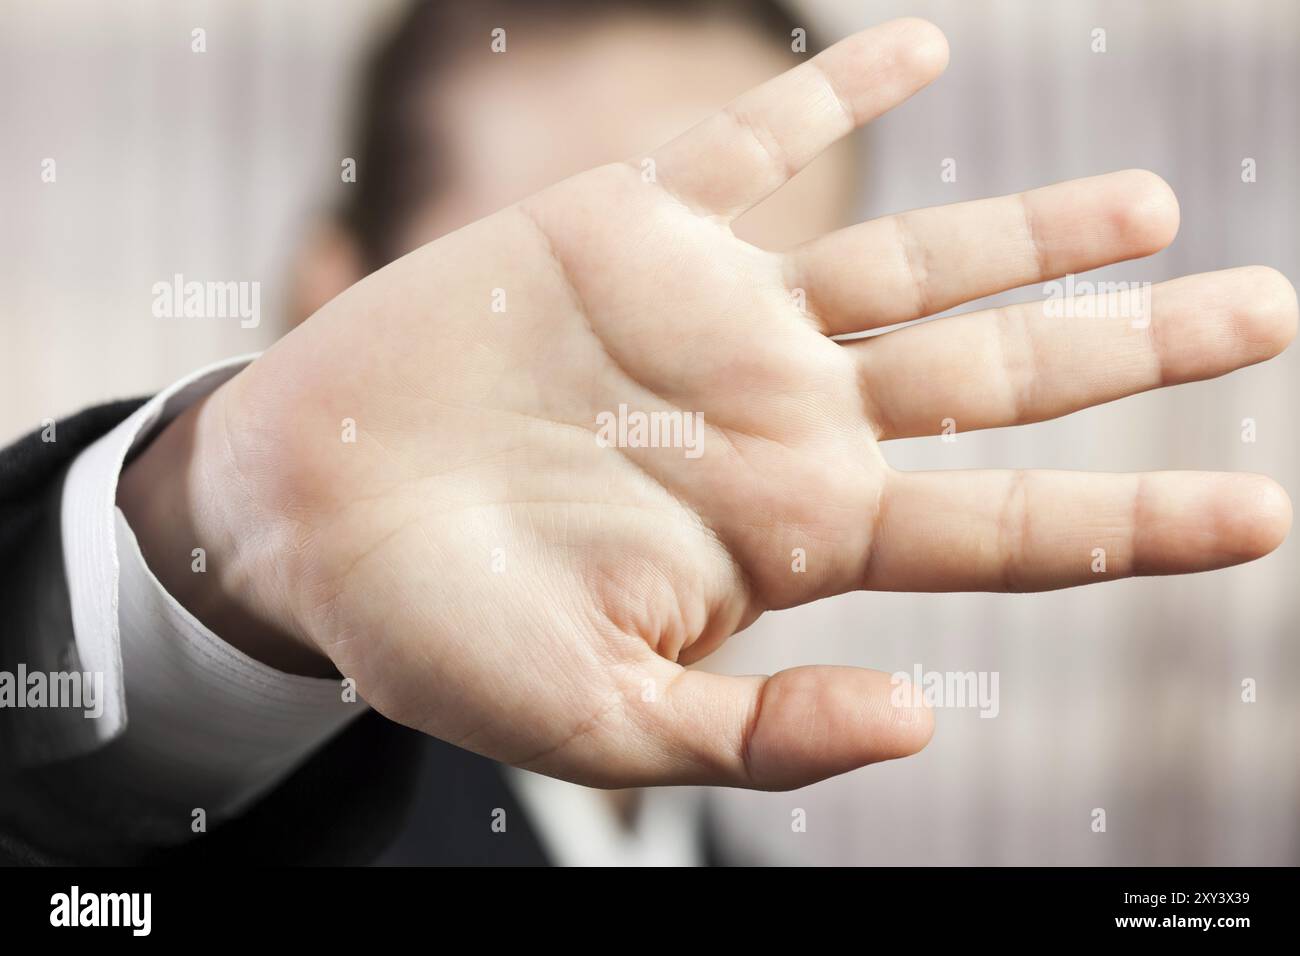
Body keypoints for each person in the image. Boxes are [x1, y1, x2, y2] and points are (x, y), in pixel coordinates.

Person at [0, 6, 1293, 866]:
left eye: (756, 312)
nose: (678, 401)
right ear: (325, 303)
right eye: (550, 311)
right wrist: (221, 536)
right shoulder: (207, 821)